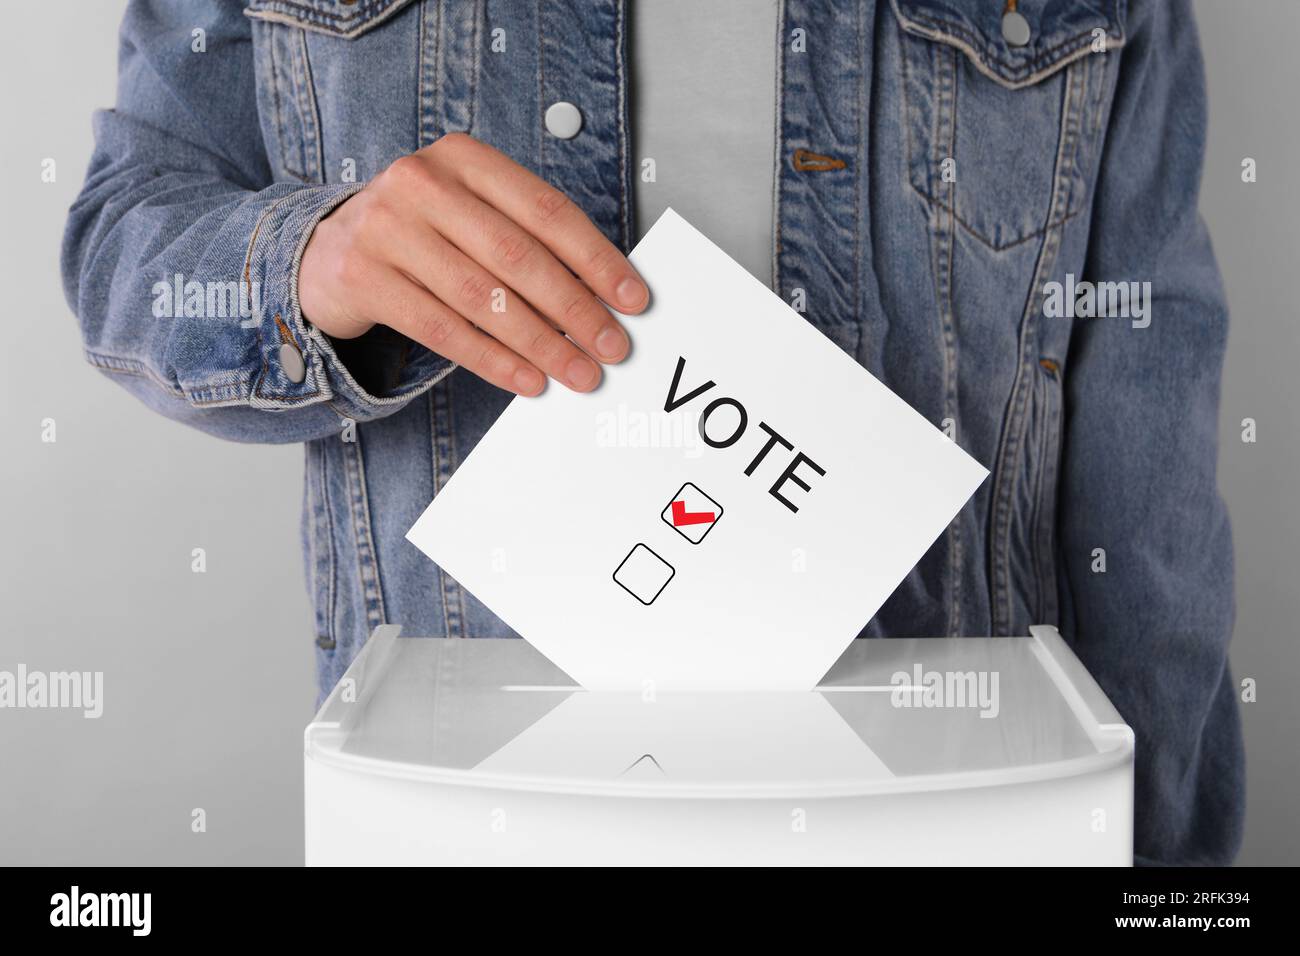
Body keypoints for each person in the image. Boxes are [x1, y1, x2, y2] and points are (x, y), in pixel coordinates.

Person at [62, 0, 1242, 865]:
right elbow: (126, 236)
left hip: (950, 819)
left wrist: (1164, 872)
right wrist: (311, 260)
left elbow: (1148, 485)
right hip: (465, 819)